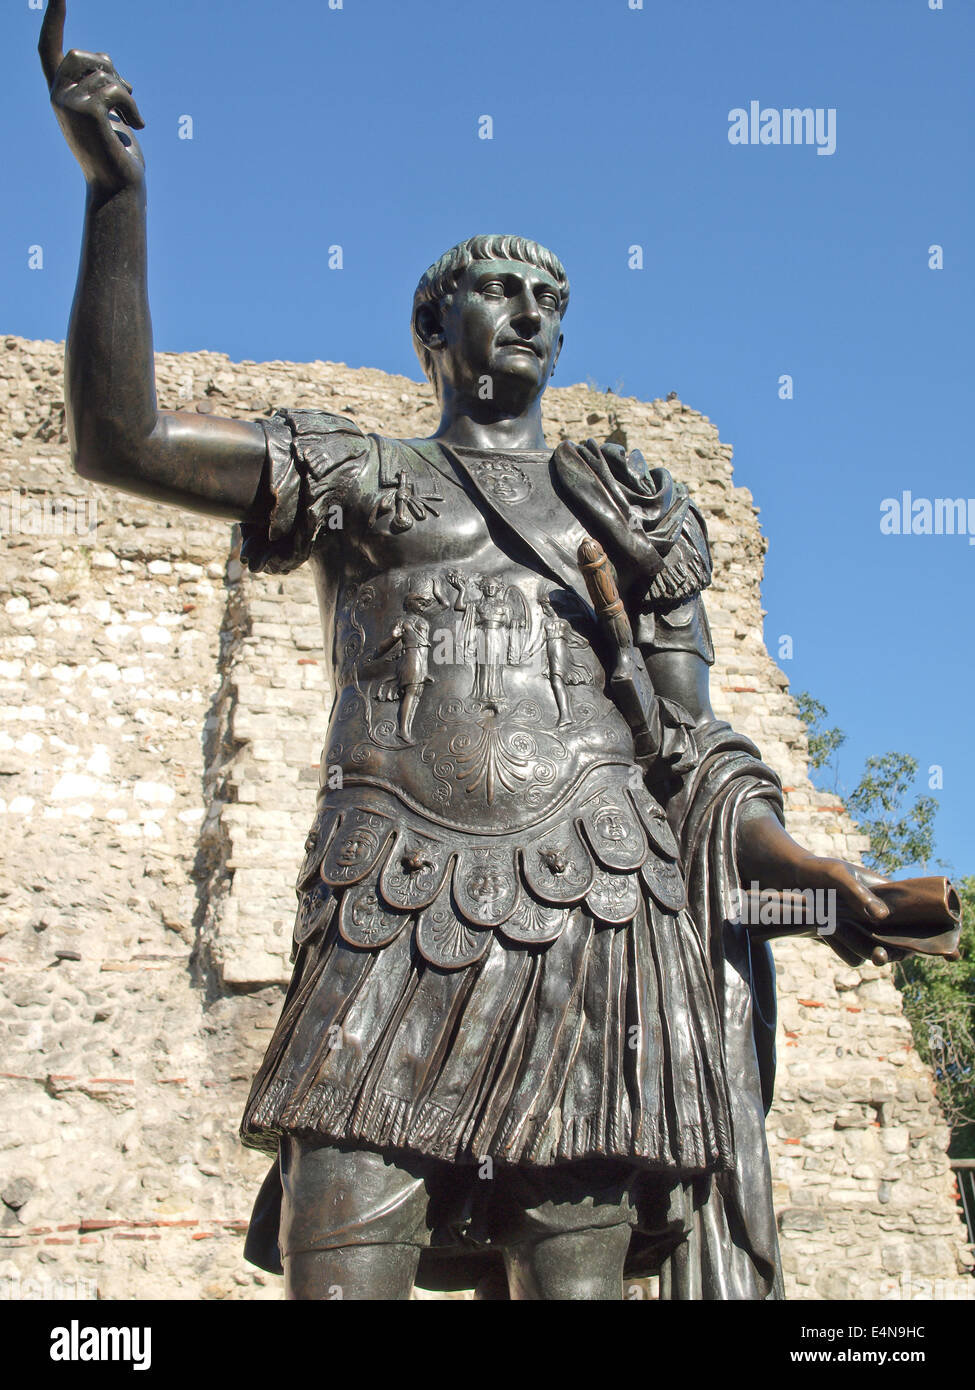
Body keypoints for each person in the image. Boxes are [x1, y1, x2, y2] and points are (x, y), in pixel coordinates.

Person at [40, 2, 918, 1301]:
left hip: (595, 913)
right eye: (498, 289)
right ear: (431, 327)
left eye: (551, 298)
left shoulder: (629, 514)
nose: (531, 310)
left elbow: (699, 765)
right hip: (394, 900)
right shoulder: (360, 470)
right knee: (336, 1264)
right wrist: (118, 199)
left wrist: (820, 879)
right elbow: (125, 438)